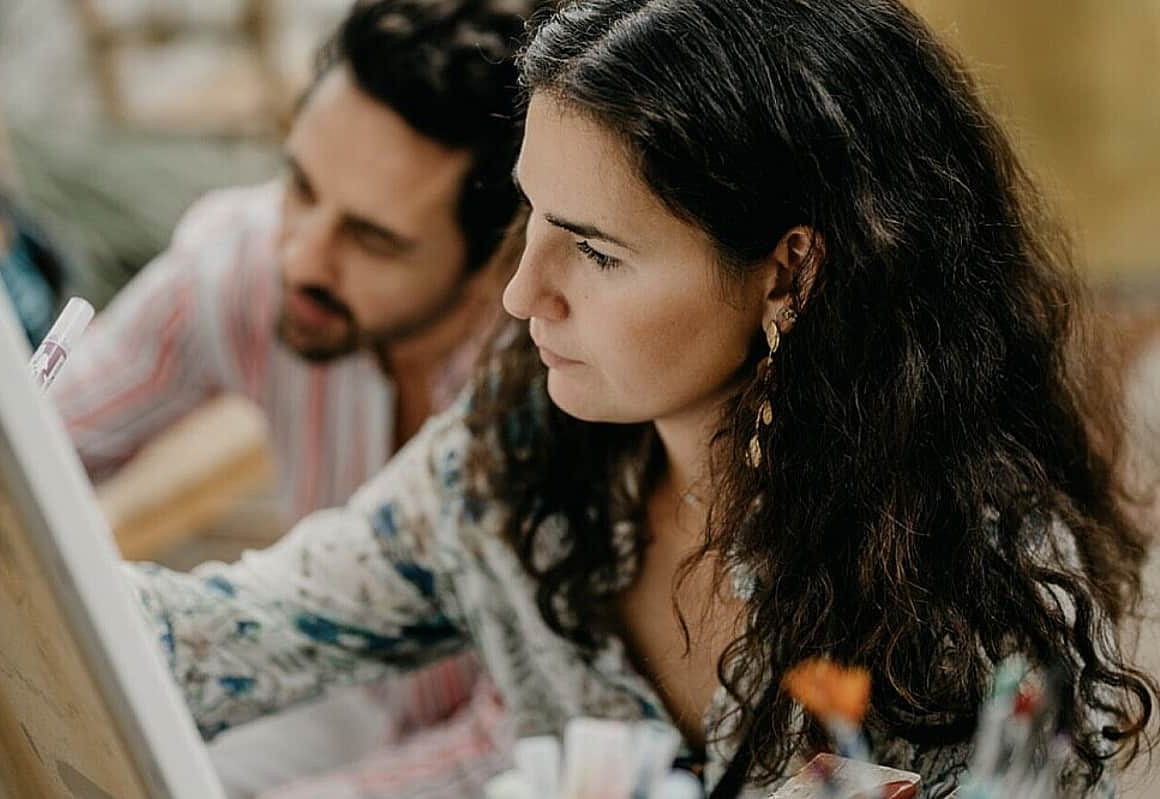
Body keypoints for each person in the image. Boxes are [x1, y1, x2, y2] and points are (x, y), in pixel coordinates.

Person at [120, 1, 1158, 796]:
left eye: (597, 250)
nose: (524, 294)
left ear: (788, 273)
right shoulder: (517, 446)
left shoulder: (980, 610)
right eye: (531, 216)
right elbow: (238, 631)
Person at [54, 1, 535, 796]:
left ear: (492, 259)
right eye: (301, 186)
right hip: (334, 693)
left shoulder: (561, 383)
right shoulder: (249, 261)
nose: (302, 254)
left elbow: (520, 734)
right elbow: (43, 443)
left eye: (373, 239)